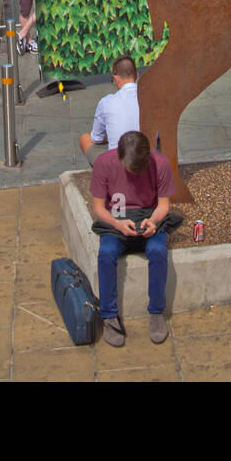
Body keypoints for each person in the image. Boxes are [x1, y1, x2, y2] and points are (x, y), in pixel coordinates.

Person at [89, 131, 173, 346]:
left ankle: (156, 312)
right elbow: (98, 207)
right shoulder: (104, 163)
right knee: (106, 253)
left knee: (158, 251)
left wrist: (153, 221)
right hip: (116, 221)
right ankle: (108, 315)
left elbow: (164, 204)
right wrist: (117, 224)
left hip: (148, 218)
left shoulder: (160, 163)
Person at [78, 56, 140, 165]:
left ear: (116, 78)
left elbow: (96, 138)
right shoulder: (151, 99)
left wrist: (110, 136)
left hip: (118, 166)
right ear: (137, 75)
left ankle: (103, 177)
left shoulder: (106, 102)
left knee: (85, 138)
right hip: (143, 158)